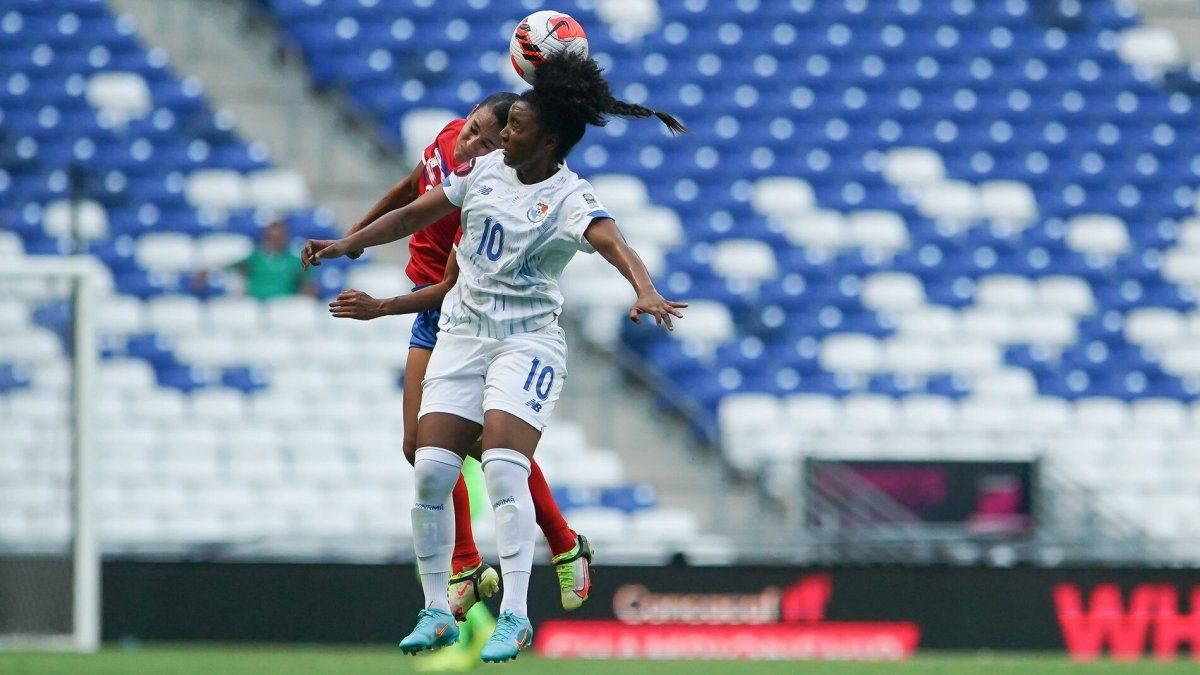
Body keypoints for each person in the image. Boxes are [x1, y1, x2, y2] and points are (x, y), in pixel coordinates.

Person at [301, 52, 687, 662]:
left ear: (549, 139)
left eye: (514, 127)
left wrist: (644, 290)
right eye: (499, 126)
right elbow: (413, 208)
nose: (499, 134)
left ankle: (514, 614)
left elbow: (613, 241)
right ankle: (437, 609)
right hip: (460, 334)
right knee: (430, 466)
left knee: (505, 467)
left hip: (526, 341)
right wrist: (350, 243)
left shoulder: (568, 197)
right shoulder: (481, 175)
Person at [335, 93, 595, 626]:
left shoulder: (485, 191)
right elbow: (410, 189)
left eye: (485, 138)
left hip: (454, 314)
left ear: (506, 142)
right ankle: (535, 550)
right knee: (421, 445)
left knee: (481, 448)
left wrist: (381, 306)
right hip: (430, 315)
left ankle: (510, 558)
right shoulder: (450, 142)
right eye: (472, 129)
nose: (469, 143)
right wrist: (354, 237)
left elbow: (453, 287)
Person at [202, 219, 315, 300]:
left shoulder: (295, 261)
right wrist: (207, 272)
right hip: (256, 305)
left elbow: (308, 286)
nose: (273, 242)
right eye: (270, 238)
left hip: (283, 306)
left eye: (278, 238)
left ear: (286, 238)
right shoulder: (255, 258)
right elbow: (229, 268)